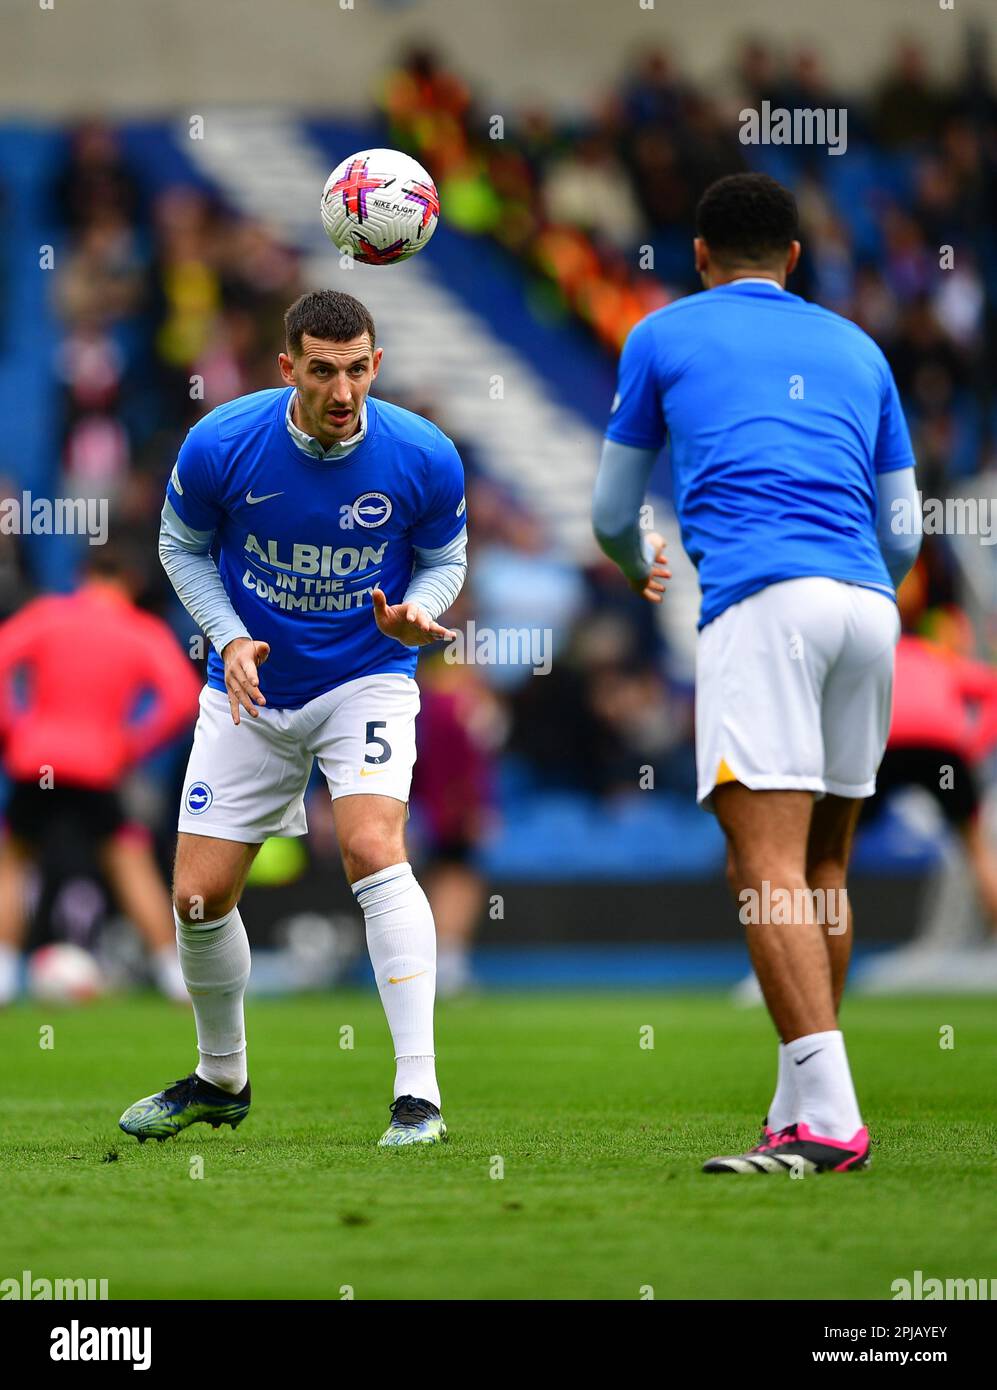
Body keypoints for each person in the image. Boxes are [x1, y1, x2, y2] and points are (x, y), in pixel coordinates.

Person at [592, 173, 922, 1174]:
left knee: (762, 867)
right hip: (867, 608)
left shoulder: (661, 332)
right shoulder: (859, 347)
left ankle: (829, 1117)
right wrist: (859, 583)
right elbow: (902, 527)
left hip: (760, 604)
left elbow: (613, 509)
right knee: (823, 865)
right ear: (794, 257)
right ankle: (796, 1108)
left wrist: (629, 559)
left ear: (698, 256)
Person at [118, 289, 467, 1147]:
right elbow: (180, 547)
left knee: (372, 847)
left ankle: (416, 1096)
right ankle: (220, 1078)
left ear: (375, 366)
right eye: (322, 371)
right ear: (289, 369)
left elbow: (444, 559)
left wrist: (414, 613)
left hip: (367, 676)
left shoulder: (424, 455)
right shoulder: (221, 443)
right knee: (198, 899)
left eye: (356, 370)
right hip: (251, 686)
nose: (341, 391)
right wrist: (229, 638)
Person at [0, 548, 201, 1003]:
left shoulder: (47, 615)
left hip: (36, 760)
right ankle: (173, 975)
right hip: (99, 764)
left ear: (83, 573)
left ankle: (4, 977)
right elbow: (183, 698)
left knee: (14, 860)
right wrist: (133, 744)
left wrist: (12, 728)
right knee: (128, 861)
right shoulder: (142, 630)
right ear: (130, 580)